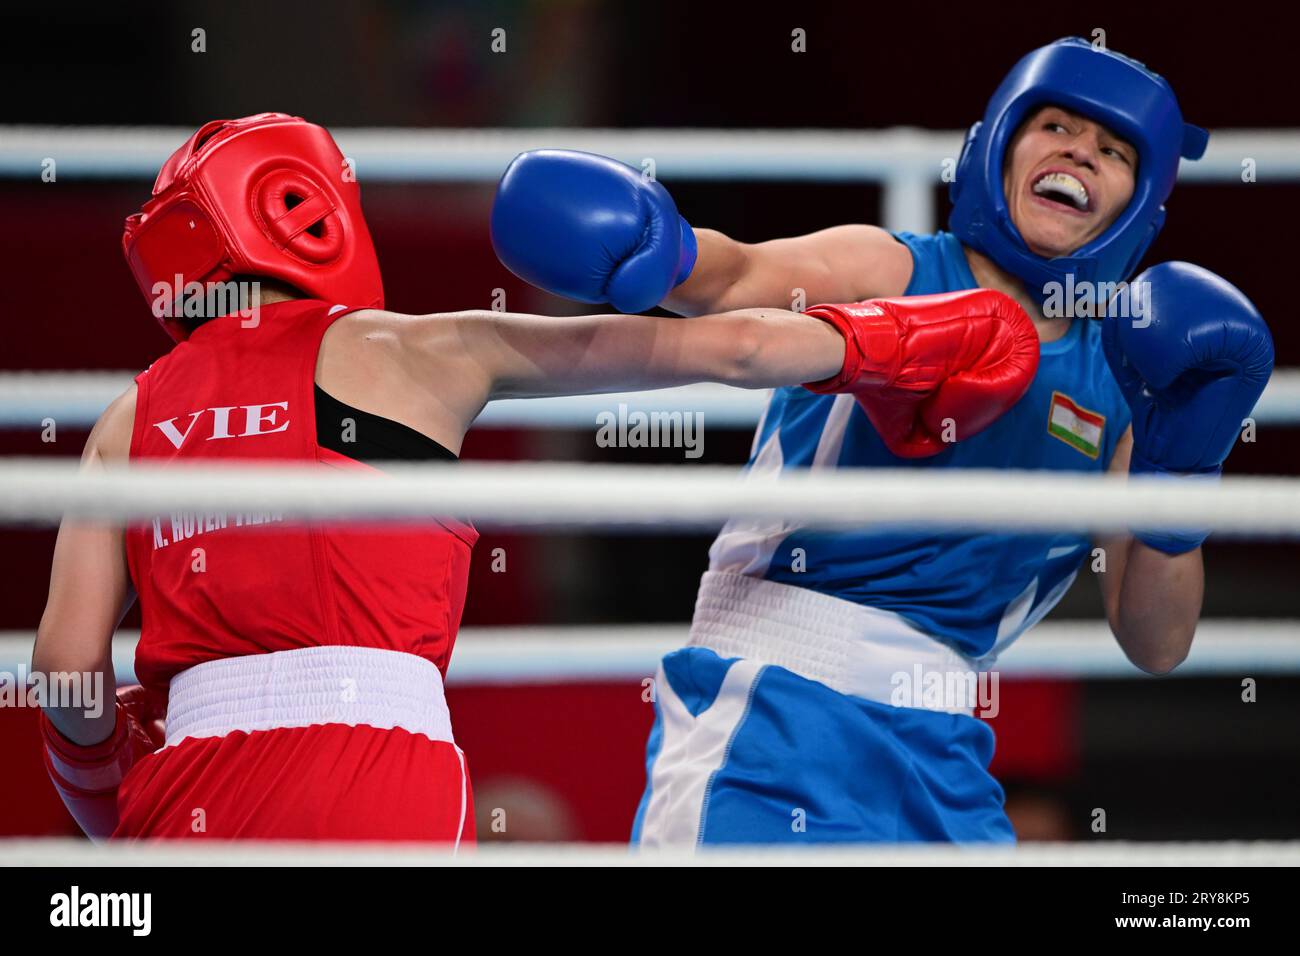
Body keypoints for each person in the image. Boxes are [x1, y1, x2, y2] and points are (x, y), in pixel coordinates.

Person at [32, 113, 1039, 843]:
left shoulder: (128, 417)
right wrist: (892, 340)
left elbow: (68, 672)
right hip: (384, 771)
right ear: (313, 216)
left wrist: (107, 780)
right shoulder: (420, 348)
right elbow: (726, 350)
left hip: (187, 792)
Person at [489, 38, 1274, 844]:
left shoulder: (1125, 382)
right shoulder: (893, 268)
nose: (1082, 151)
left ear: (1136, 205)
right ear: (999, 144)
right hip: (778, 702)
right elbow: (737, 278)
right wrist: (663, 249)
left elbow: (1158, 641)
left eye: (1113, 152)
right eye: (1057, 127)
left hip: (945, 750)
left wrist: (1183, 475)